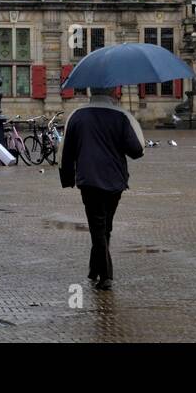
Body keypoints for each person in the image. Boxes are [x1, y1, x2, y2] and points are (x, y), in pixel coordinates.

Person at [59, 90, 145, 291]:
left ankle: (104, 275)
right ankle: (95, 269)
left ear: (91, 93)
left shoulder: (77, 116)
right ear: (111, 94)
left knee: (98, 226)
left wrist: (67, 178)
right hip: (115, 180)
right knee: (105, 225)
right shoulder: (120, 116)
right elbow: (136, 151)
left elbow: (67, 151)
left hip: (89, 180)